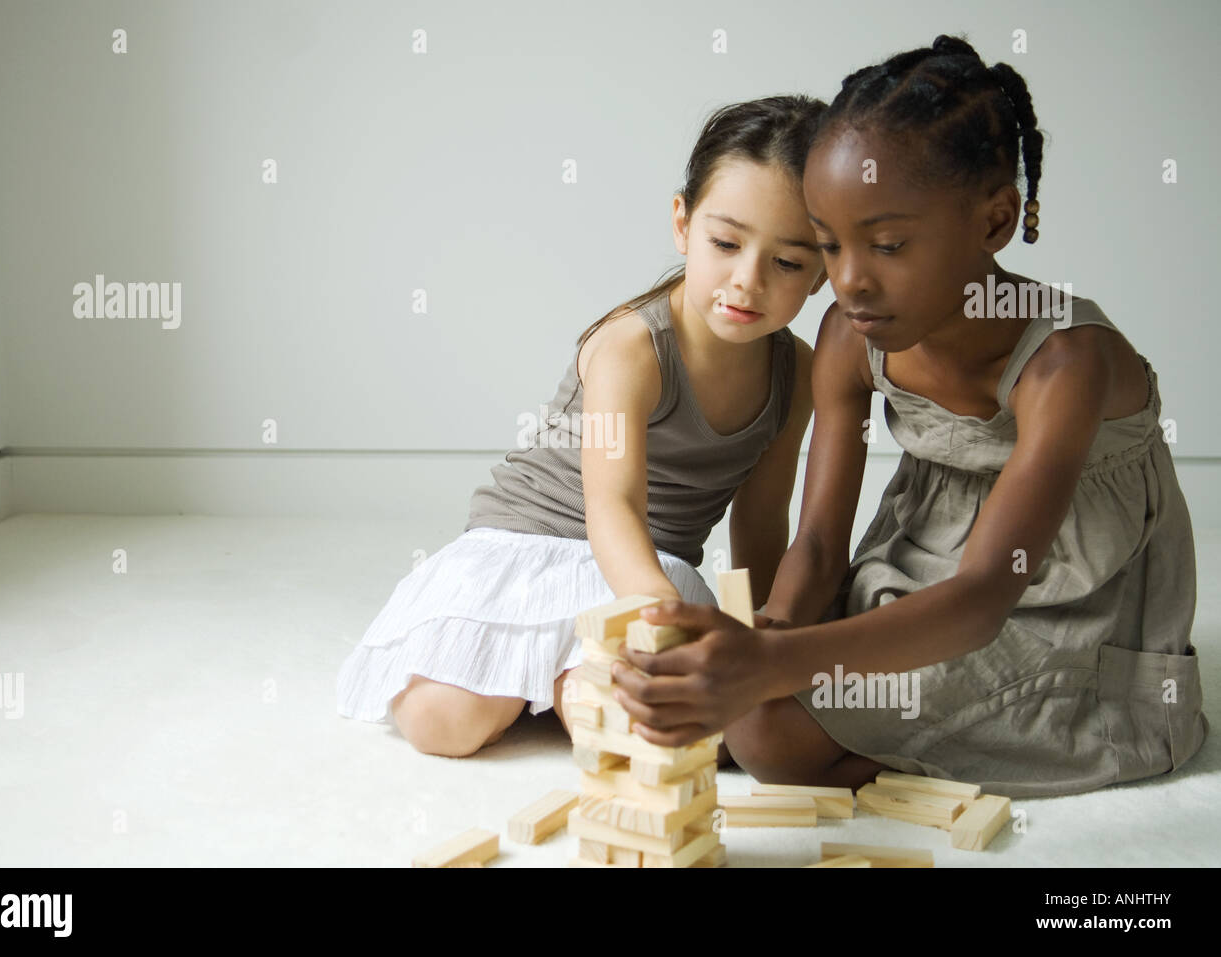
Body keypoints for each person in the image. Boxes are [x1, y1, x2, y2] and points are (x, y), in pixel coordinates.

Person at [612, 35, 1208, 798]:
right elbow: (822, 540)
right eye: (829, 244)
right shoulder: (849, 339)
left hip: (1053, 609)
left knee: (766, 734)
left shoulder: (1066, 363)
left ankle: (932, 755)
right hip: (924, 573)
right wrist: (771, 638)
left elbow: (991, 588)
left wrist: (769, 671)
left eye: (888, 244)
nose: (851, 281)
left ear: (993, 222)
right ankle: (847, 721)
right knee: (759, 712)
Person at [336, 96, 830, 757]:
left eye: (788, 262)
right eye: (726, 243)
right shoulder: (632, 346)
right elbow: (611, 505)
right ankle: (525, 670)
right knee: (440, 723)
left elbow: (763, 520)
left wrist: (765, 642)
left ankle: (568, 682)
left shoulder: (795, 374)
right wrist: (661, 612)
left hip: (652, 560)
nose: (747, 281)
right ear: (682, 224)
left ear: (824, 266)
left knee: (649, 733)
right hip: (540, 544)